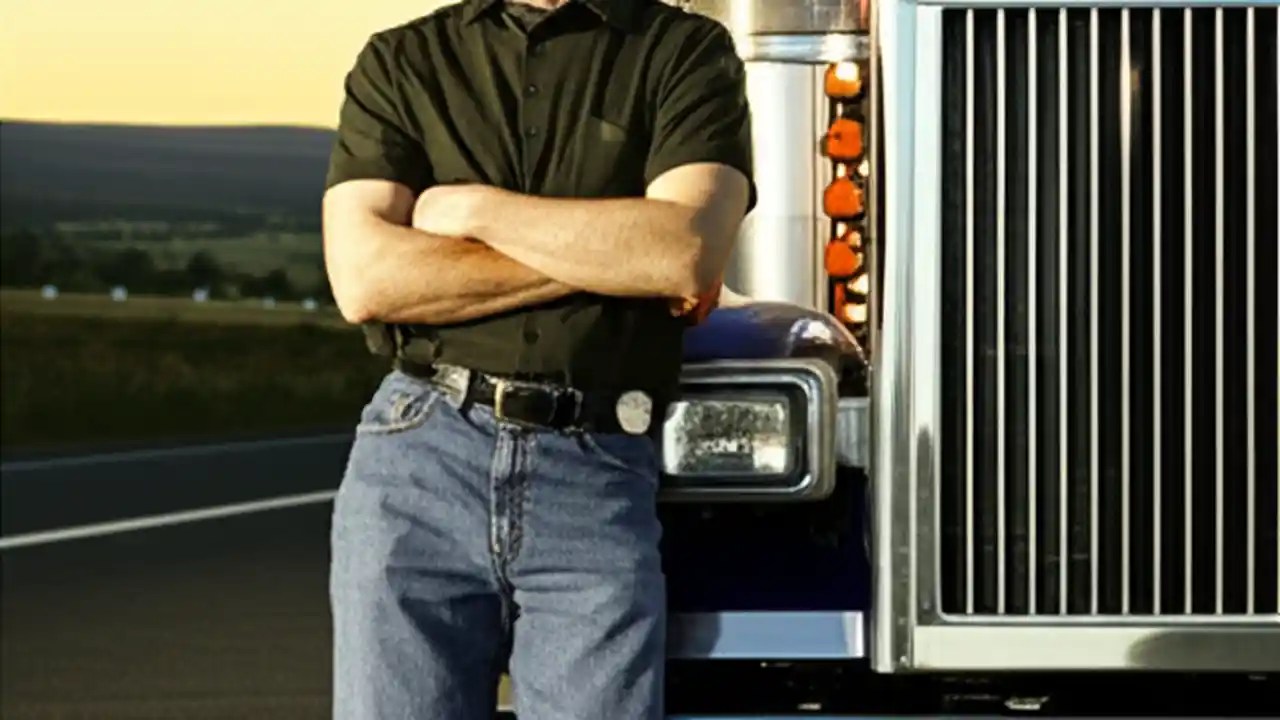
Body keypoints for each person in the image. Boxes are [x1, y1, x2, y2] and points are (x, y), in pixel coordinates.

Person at [321, 0, 755, 717]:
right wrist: (614, 250)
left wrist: (475, 211)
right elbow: (366, 279)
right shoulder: (402, 59)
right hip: (418, 454)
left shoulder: (682, 50)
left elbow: (681, 252)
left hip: (597, 466)